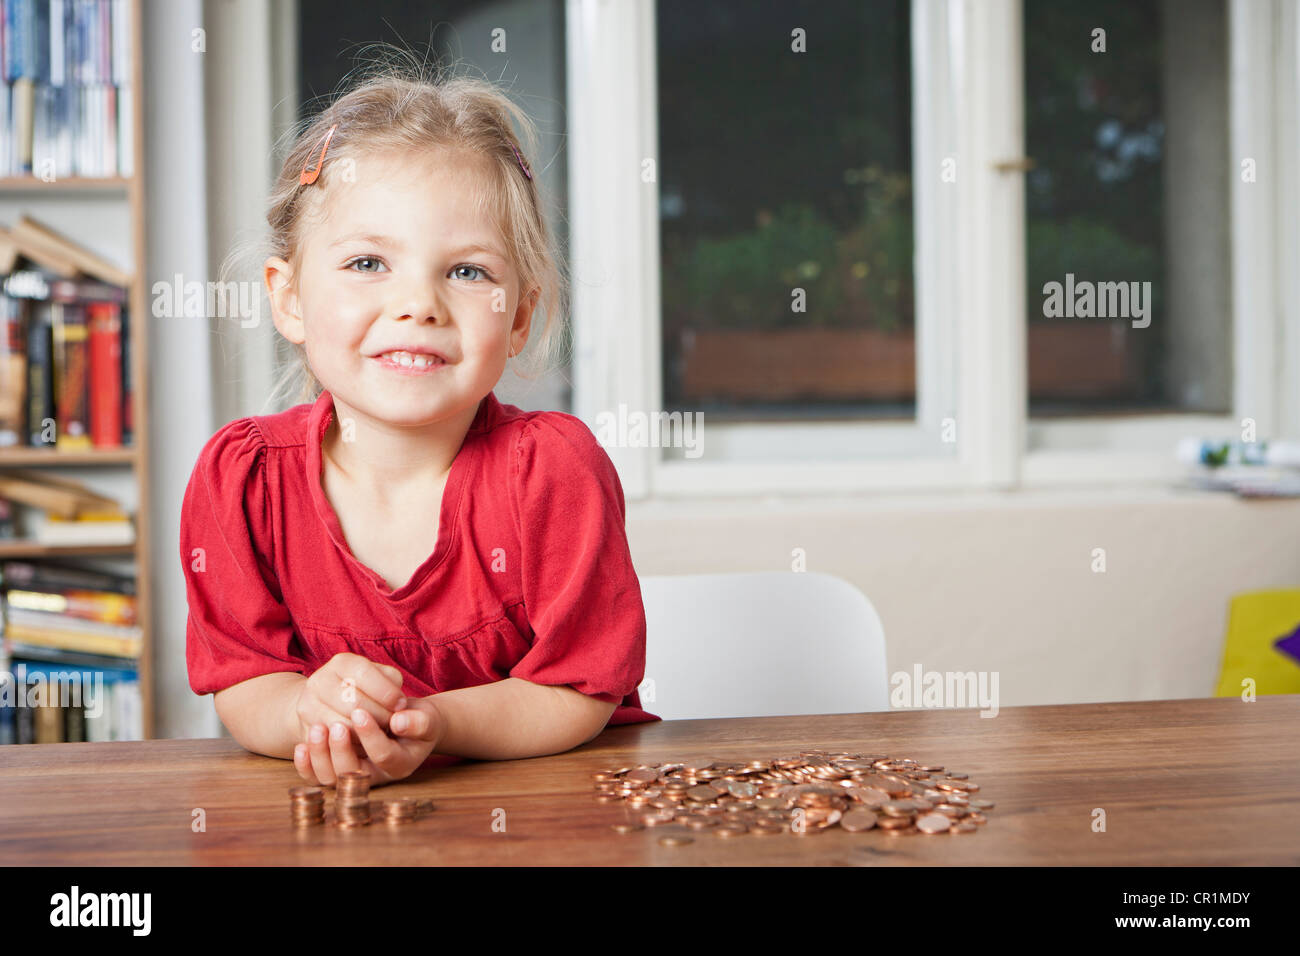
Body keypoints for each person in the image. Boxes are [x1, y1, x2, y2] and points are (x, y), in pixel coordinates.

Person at [179, 61, 657, 788]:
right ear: (289, 299)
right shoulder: (241, 480)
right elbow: (245, 685)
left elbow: (578, 692)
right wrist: (310, 710)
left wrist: (436, 725)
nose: (418, 304)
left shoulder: (555, 472)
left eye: (467, 272)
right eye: (369, 261)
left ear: (520, 315)